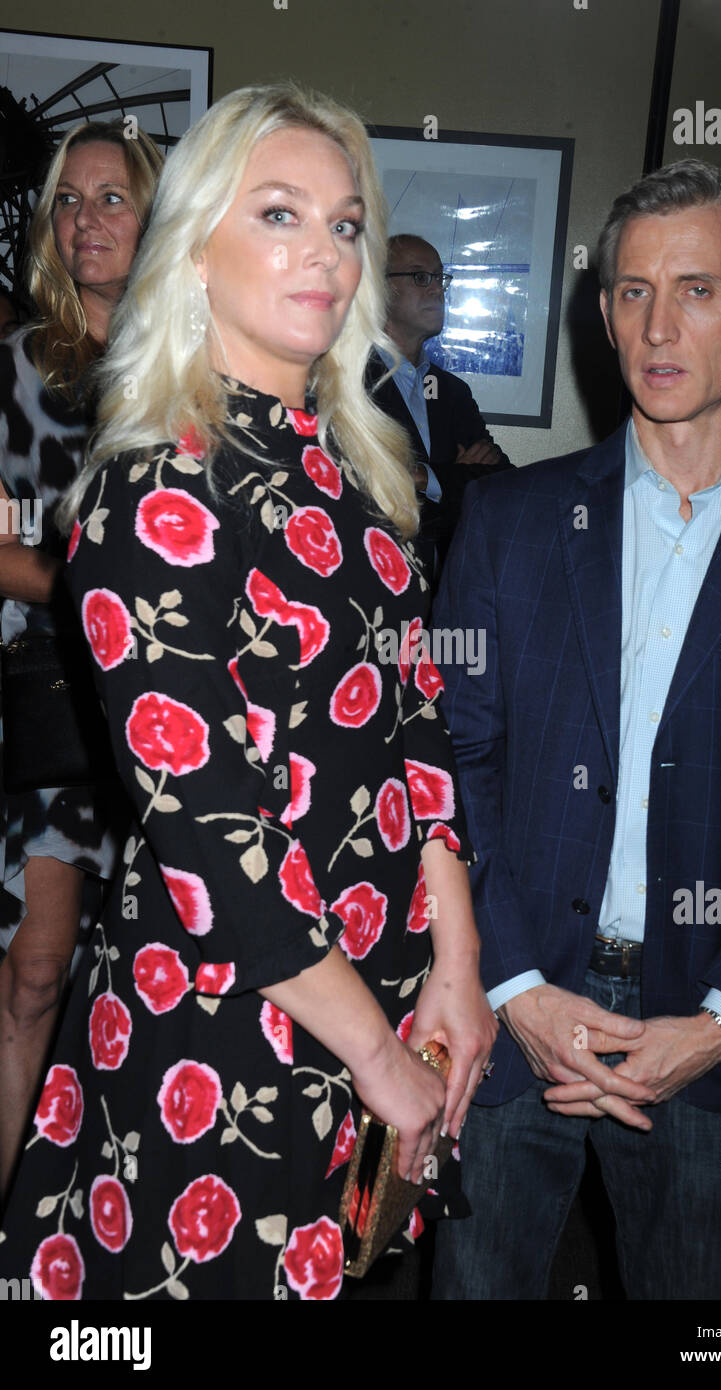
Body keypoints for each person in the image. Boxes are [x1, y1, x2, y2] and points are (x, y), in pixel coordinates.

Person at [0, 82, 496, 1301]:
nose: (324, 253)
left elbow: (416, 730)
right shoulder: (150, 492)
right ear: (196, 249)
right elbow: (212, 838)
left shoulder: (354, 473)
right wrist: (379, 1055)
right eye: (279, 214)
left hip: (376, 991)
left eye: (343, 224)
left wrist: (458, 963)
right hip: (227, 1022)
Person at [431, 158, 721, 1300]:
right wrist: (513, 983)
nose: (657, 326)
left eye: (698, 290)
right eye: (630, 291)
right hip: (513, 1013)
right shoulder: (509, 519)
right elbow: (453, 755)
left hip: (710, 1026)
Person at [0, 121, 163, 1203]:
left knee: (157, 990)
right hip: (58, 702)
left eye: (112, 197)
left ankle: (115, 1222)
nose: (87, 219)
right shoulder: (18, 370)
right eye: (70, 199)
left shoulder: (197, 366)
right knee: (36, 970)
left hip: (181, 711)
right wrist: (98, 604)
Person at [366, 235, 512, 575]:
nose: (437, 290)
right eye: (420, 277)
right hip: (367, 590)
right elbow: (365, 495)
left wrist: (422, 477)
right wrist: (454, 478)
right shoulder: (349, 385)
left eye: (440, 277)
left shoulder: (453, 392)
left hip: (443, 595)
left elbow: (500, 485)